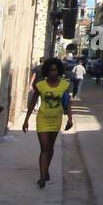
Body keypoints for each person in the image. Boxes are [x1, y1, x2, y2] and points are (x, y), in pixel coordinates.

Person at [22, 58, 73, 189]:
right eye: (50, 70)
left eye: (55, 70)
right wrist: (26, 120)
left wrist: (70, 119)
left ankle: (46, 169)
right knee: (44, 147)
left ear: (59, 71)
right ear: (46, 71)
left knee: (50, 147)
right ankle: (42, 177)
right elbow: (33, 102)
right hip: (43, 119)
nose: (53, 73)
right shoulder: (41, 85)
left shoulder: (64, 85)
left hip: (56, 120)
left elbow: (67, 102)